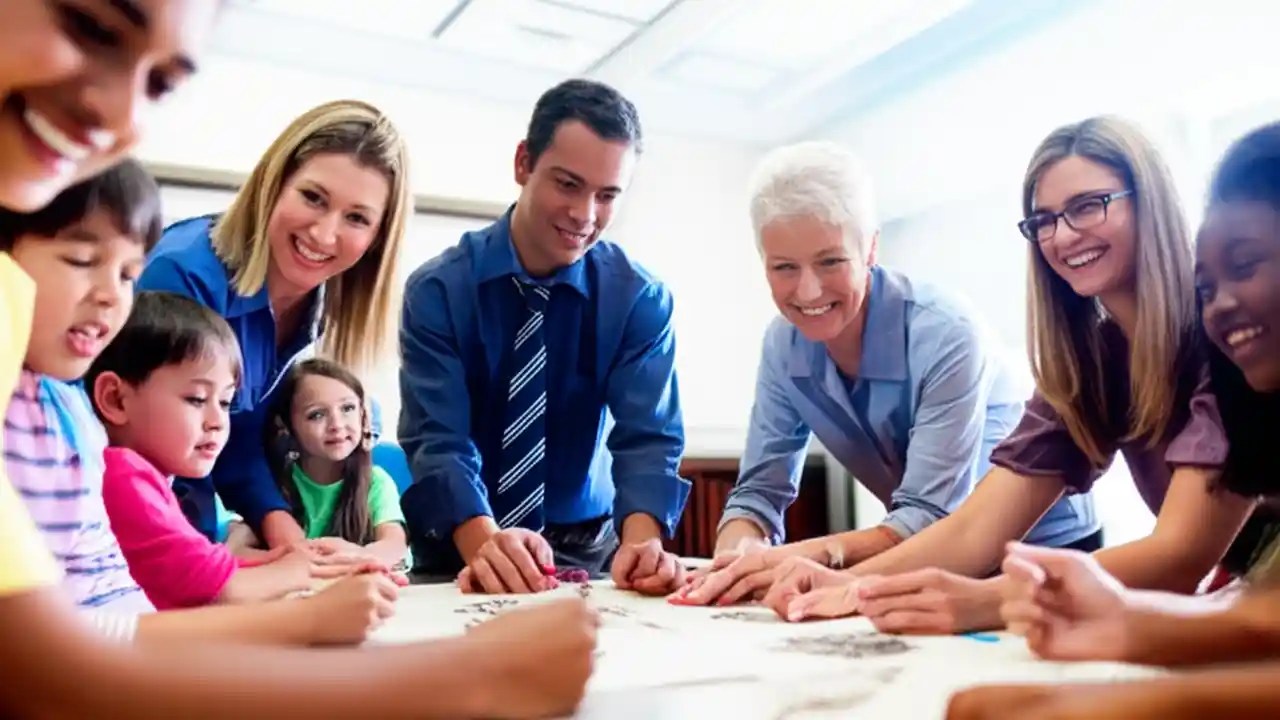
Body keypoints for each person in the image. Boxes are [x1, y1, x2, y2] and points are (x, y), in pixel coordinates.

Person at [0, 3, 595, 717]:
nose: (122, 117)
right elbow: (55, 650)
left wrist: (289, 548)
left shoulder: (304, 313)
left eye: (159, 84)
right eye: (91, 28)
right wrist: (462, 675)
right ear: (274, 184)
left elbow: (237, 448)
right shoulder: (168, 288)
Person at [754, 116, 1258, 634]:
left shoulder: (1227, 332)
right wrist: (851, 584)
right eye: (1044, 220)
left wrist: (988, 600)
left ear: (1149, 200)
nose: (1062, 235)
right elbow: (975, 529)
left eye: (1087, 206)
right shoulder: (1094, 358)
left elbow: (1177, 556)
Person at [945, 121, 1280, 720]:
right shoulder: (1100, 357)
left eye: (1248, 264)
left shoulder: (1210, 350)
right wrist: (1125, 626)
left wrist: (1115, 696)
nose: (1223, 304)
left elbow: (1182, 557)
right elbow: (1258, 611)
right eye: (1207, 288)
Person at [672, 141, 1098, 608]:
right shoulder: (782, 345)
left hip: (1045, 548)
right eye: (784, 268)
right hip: (925, 549)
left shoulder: (945, 333)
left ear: (871, 247)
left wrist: (809, 556)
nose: (808, 290)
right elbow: (758, 492)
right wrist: (739, 558)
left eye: (830, 261)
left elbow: (929, 516)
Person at [399, 78, 689, 595]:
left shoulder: (639, 299)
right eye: (568, 184)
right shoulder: (437, 291)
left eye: (607, 195)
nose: (585, 215)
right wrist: (486, 545)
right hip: (461, 542)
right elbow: (439, 440)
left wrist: (642, 544)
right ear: (523, 164)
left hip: (586, 547)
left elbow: (648, 436)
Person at [138, 98, 410, 548]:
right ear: (275, 183)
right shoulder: (182, 274)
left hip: (188, 540)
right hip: (129, 541)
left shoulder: (312, 307)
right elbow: (140, 458)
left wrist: (291, 541)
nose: (324, 234)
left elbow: (240, 438)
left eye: (356, 218)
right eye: (313, 197)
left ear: (377, 238)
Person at [88, 286, 404, 613]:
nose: (217, 422)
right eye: (197, 399)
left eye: (225, 402)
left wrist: (284, 560)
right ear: (115, 398)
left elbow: (210, 566)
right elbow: (219, 588)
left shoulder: (150, 481)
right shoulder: (122, 476)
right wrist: (305, 570)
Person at [263, 358, 409, 569]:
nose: (337, 425)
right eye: (317, 415)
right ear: (286, 425)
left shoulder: (376, 482)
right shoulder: (274, 485)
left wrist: (355, 555)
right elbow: (237, 547)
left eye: (347, 408)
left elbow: (394, 545)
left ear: (363, 414)